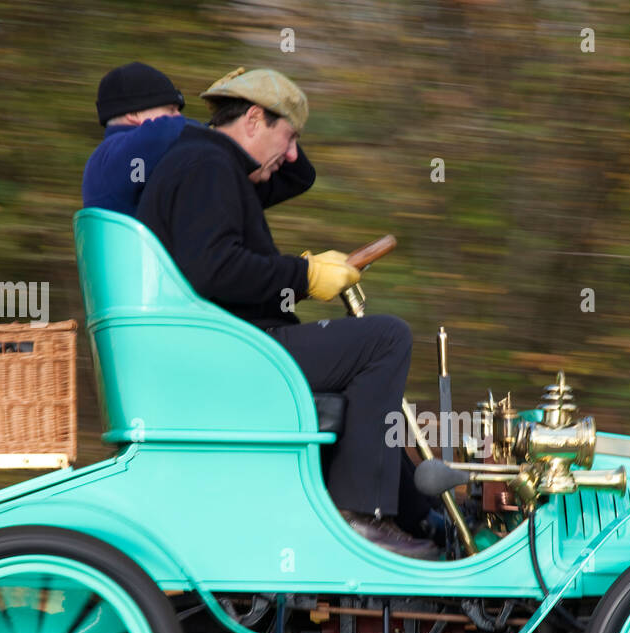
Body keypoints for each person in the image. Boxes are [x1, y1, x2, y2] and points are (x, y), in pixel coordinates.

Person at [135, 67, 439, 559]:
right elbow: (212, 270)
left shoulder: (213, 163)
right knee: (385, 338)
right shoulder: (206, 167)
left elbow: (299, 175)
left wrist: (272, 134)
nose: (293, 153)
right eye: (290, 135)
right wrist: (304, 276)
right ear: (253, 118)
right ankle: (359, 519)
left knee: (360, 378)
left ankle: (425, 517)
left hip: (226, 345)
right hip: (236, 350)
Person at [82, 62, 191, 216]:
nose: (179, 117)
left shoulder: (119, 158)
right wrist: (217, 131)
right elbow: (161, 132)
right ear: (134, 113)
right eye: (171, 110)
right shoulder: (127, 149)